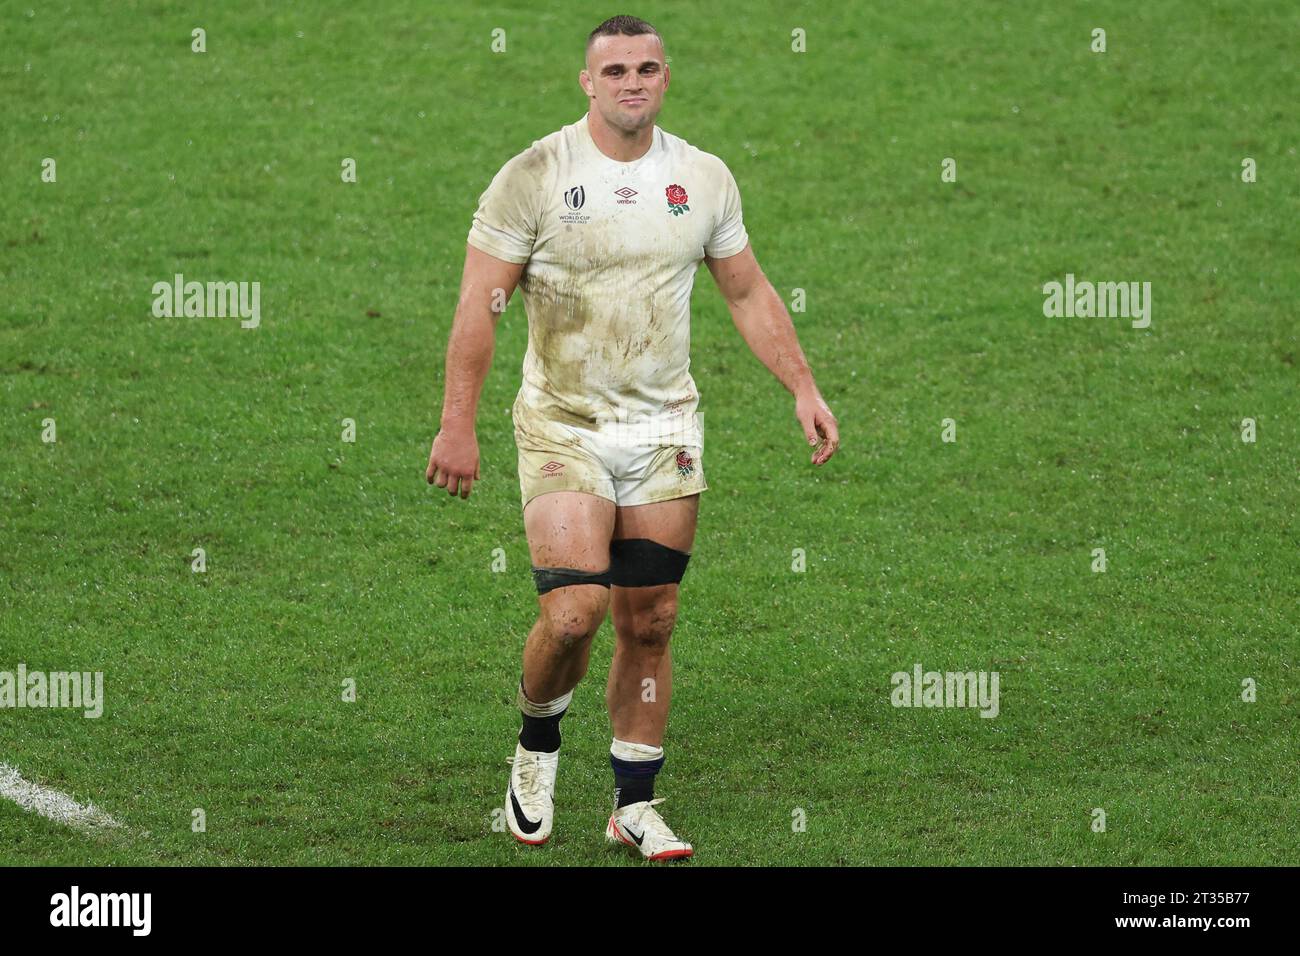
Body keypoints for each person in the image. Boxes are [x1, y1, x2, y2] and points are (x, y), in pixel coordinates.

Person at [425, 14, 839, 861]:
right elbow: (479, 306)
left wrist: (801, 386)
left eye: (647, 68)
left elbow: (749, 292)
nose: (631, 83)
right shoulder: (534, 176)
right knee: (575, 612)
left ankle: (633, 804)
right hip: (563, 422)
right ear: (587, 82)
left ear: (666, 77)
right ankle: (537, 749)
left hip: (664, 426)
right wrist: (456, 424)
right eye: (614, 70)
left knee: (650, 621)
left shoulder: (702, 177)